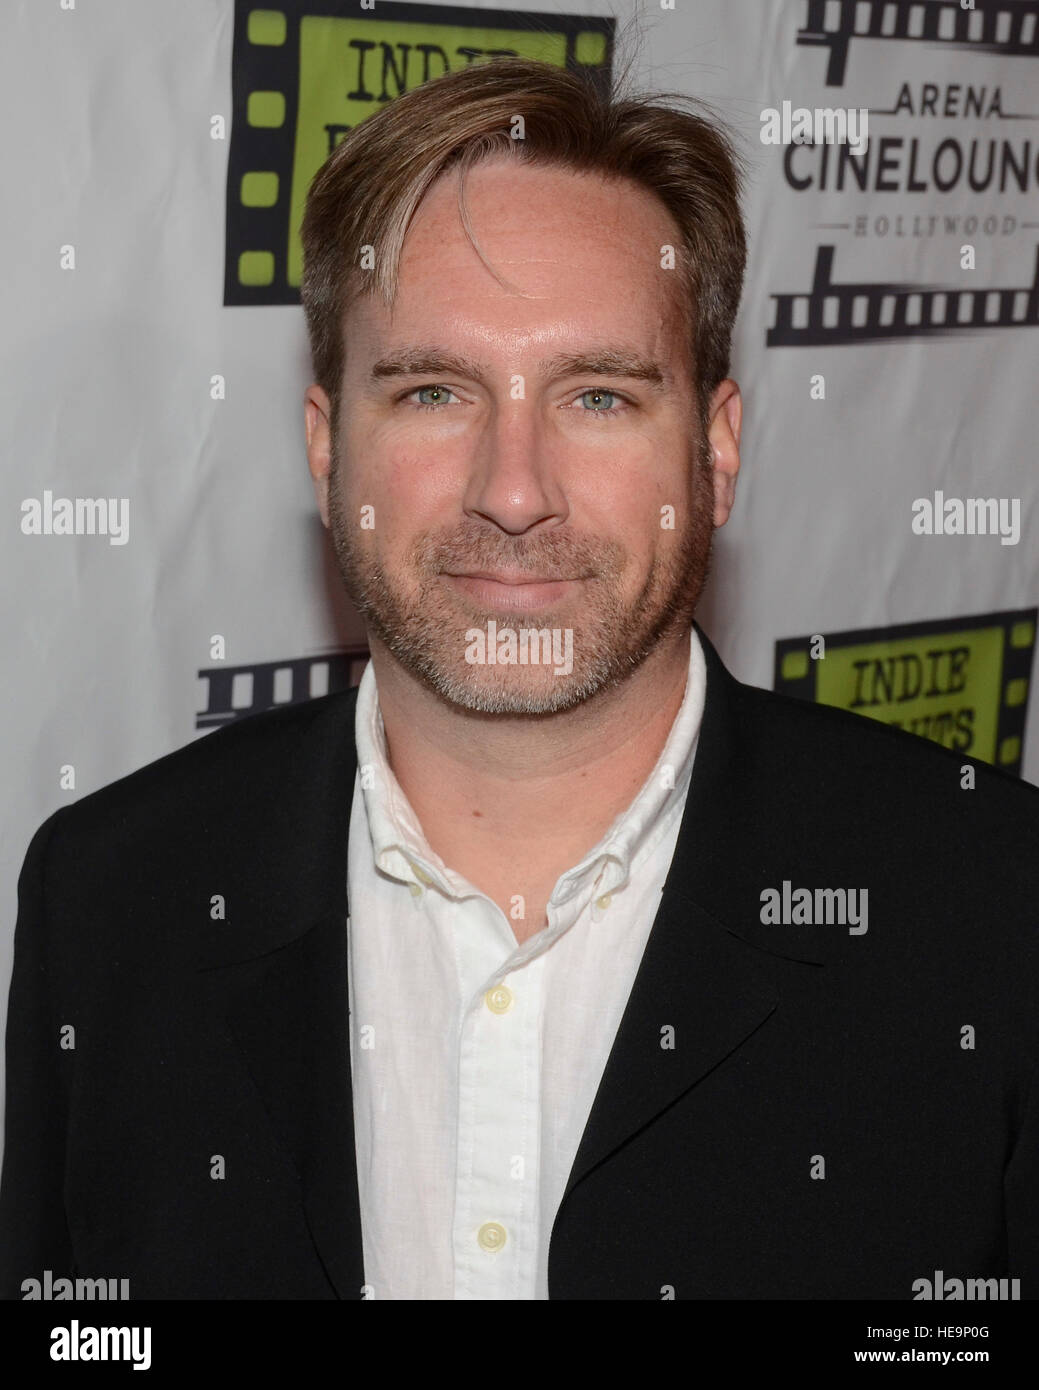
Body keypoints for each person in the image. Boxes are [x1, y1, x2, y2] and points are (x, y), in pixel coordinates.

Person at [2, 56, 1037, 1302]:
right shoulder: (113, 899)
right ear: (328, 446)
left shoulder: (989, 908)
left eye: (597, 395)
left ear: (714, 452)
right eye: (433, 390)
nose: (511, 489)